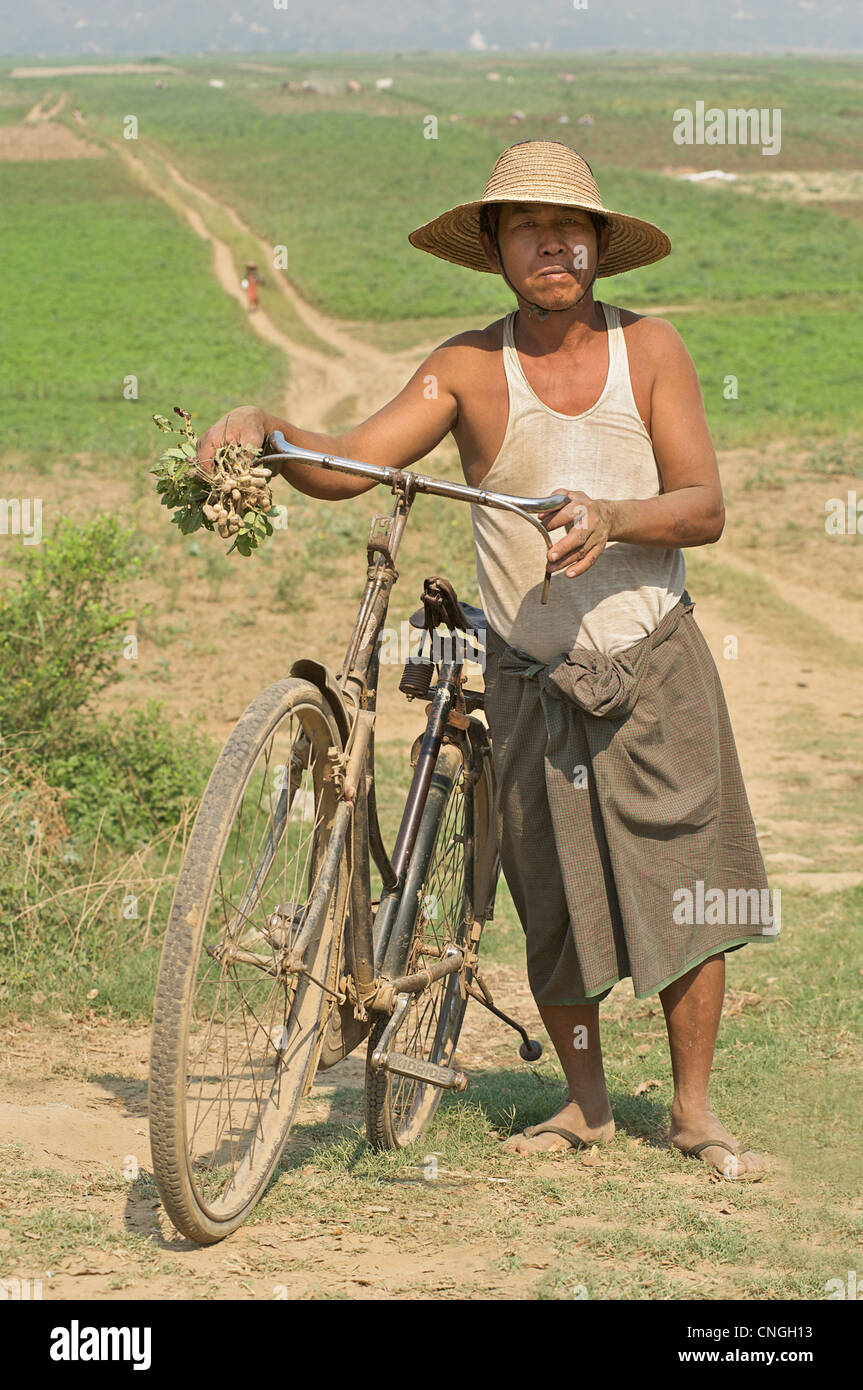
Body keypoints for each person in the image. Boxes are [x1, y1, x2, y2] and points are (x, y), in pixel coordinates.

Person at [196, 140, 776, 1180]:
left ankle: (693, 1110)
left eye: (571, 230)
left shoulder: (650, 351)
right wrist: (268, 431)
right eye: (527, 229)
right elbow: (350, 467)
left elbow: (704, 506)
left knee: (689, 887)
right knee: (549, 898)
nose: (552, 245)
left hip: (651, 658)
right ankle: (585, 1104)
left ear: (598, 247)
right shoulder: (467, 367)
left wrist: (614, 514)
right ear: (498, 252)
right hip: (525, 673)